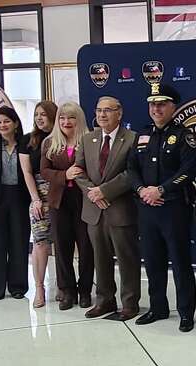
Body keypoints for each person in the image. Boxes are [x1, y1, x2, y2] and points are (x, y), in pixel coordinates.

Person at [127, 83, 196, 332]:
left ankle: (186, 313)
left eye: (162, 104)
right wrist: (141, 191)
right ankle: (157, 308)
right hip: (147, 208)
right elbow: (131, 169)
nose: (156, 108)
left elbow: (188, 171)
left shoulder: (183, 135)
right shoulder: (142, 135)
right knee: (153, 261)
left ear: (173, 107)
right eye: (153, 104)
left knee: (180, 262)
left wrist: (161, 190)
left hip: (173, 208)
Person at [74, 96, 141, 320]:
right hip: (94, 211)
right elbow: (77, 170)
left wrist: (105, 191)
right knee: (100, 259)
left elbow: (131, 173)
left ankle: (130, 304)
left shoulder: (132, 139)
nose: (102, 115)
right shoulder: (88, 139)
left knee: (126, 260)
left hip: (120, 210)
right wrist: (93, 193)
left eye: (108, 111)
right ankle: (104, 301)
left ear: (119, 113)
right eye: (99, 110)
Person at [0, 107, 42, 302]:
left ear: (16, 123)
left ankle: (17, 286)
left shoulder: (26, 144)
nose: (2, 125)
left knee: (19, 243)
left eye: (6, 121)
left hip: (19, 199)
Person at [40, 102, 95, 311]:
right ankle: (67, 291)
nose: (66, 122)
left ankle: (85, 291)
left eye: (71, 118)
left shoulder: (90, 140)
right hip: (59, 201)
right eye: (62, 118)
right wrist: (64, 175)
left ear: (78, 119)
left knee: (86, 248)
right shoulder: (49, 143)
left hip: (84, 200)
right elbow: (44, 172)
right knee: (62, 248)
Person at [27, 101, 58, 308]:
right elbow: (27, 172)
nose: (39, 118)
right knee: (40, 243)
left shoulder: (61, 137)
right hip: (39, 195)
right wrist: (35, 199)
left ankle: (65, 287)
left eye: (44, 114)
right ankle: (39, 287)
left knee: (64, 242)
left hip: (62, 191)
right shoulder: (28, 141)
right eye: (37, 114)